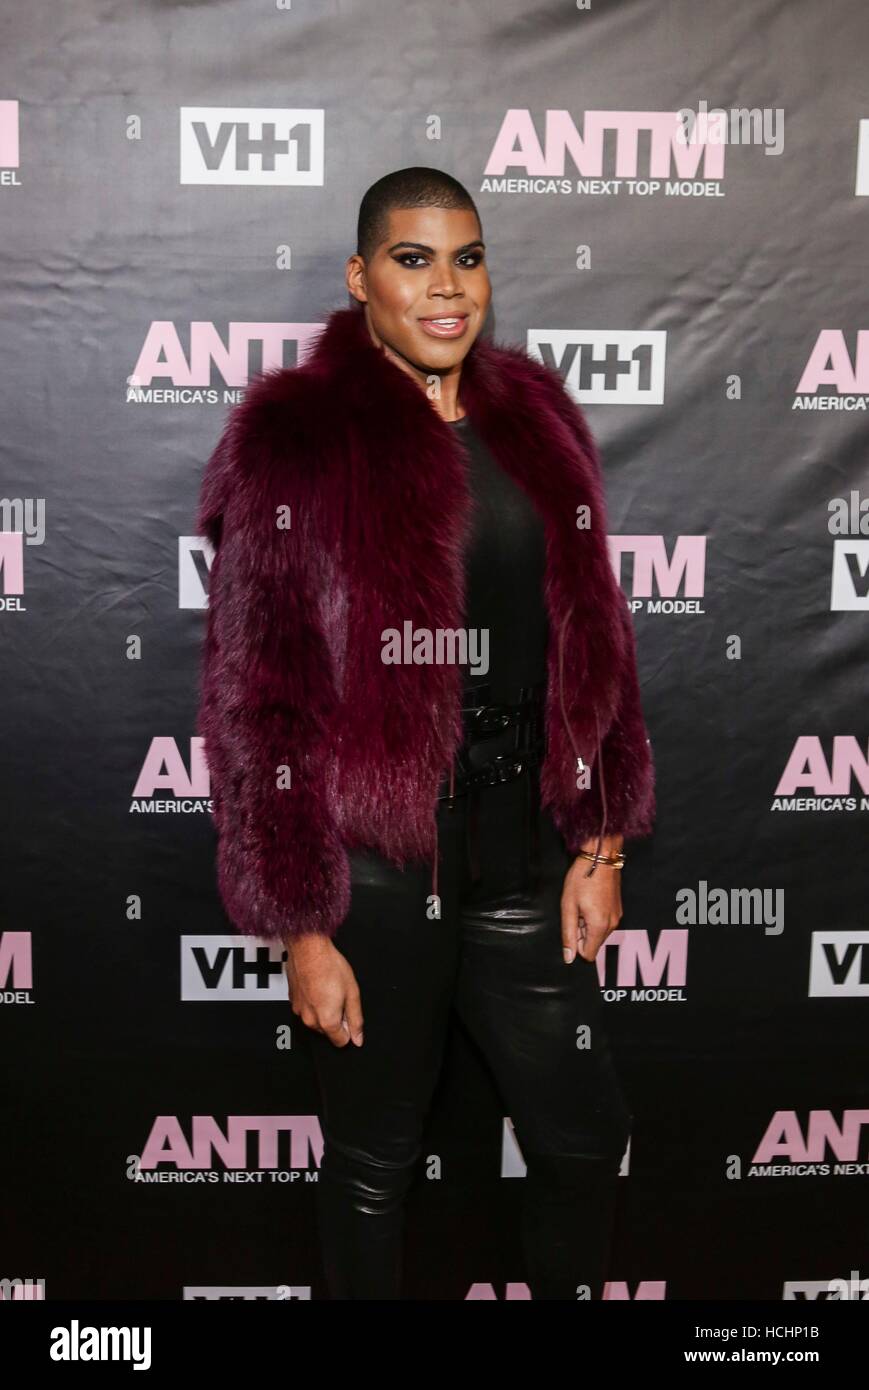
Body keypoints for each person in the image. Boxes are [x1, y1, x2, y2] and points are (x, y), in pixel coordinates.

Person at [195, 166, 656, 1300]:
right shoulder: (296, 441)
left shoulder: (537, 418)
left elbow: (594, 639)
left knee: (585, 1140)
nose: (445, 288)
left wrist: (598, 843)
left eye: (466, 258)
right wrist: (301, 925)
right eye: (412, 260)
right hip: (374, 872)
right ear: (361, 279)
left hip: (523, 852)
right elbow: (261, 701)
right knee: (370, 1164)